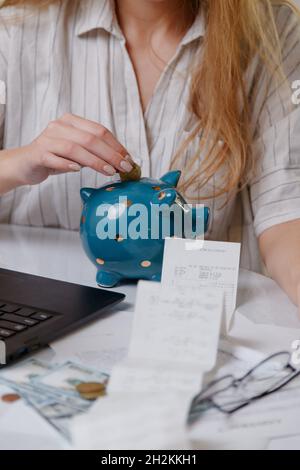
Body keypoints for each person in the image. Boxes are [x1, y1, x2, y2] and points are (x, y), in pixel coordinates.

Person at [0, 0, 300, 310]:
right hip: (32, 315)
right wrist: (19, 161)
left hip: (194, 330)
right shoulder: (15, 30)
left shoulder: (272, 35)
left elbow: (287, 215)